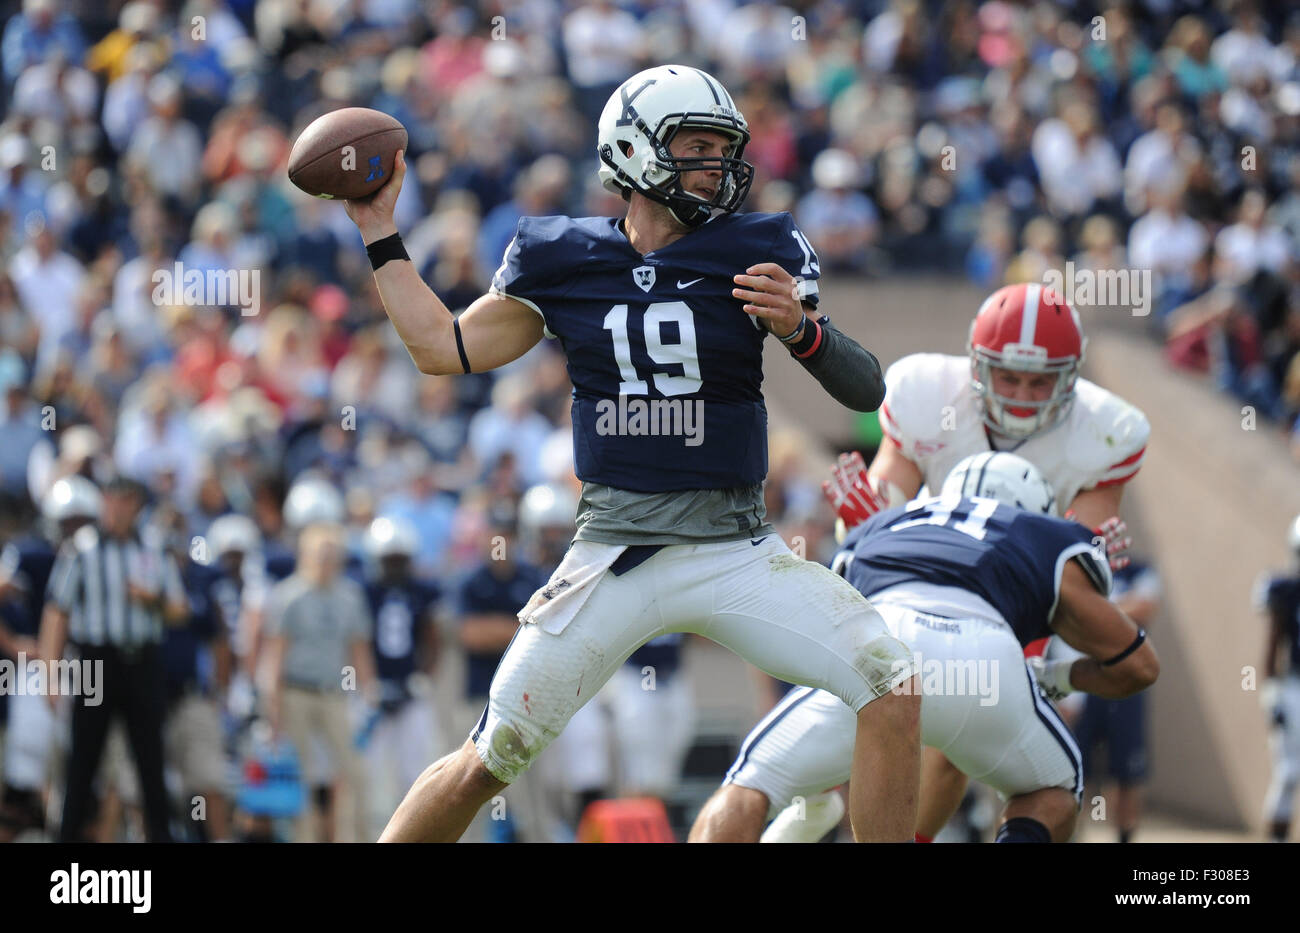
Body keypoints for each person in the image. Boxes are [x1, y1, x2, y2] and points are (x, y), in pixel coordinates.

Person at [344, 64, 921, 842]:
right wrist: (379, 229)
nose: (715, 163)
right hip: (613, 551)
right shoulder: (560, 254)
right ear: (632, 150)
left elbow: (864, 391)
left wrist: (801, 329)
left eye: (723, 147)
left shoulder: (759, 246)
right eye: (695, 144)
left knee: (892, 682)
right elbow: (441, 346)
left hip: (738, 551)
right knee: (490, 756)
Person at [820, 281, 1150, 841]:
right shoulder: (925, 390)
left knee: (961, 745)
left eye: (1039, 379)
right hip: (924, 574)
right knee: (920, 733)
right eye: (1009, 376)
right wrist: (862, 517)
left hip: (1018, 595)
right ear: (977, 366)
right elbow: (880, 507)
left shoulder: (1106, 429)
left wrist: (1092, 564)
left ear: (1070, 377)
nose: (1022, 393)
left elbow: (1074, 562)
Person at [691, 453, 1159, 844]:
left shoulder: (882, 525)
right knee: (1053, 791)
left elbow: (835, 613)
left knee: (749, 787)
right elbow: (1139, 667)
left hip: (881, 643)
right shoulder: (1047, 536)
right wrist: (1056, 672)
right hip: (986, 661)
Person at [39, 475, 187, 843]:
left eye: (125, 502)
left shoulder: (153, 547)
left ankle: (160, 837)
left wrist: (151, 599)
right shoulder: (82, 548)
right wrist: (51, 673)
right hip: (95, 661)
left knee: (151, 762)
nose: (117, 509)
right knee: (82, 761)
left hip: (142, 660)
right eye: (111, 501)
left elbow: (179, 611)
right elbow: (57, 612)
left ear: (136, 505)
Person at [263, 521, 375, 843]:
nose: (326, 562)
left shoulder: (350, 596)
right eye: (319, 554)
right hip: (295, 691)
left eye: (332, 554)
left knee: (354, 773)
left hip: (334, 693)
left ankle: (353, 838)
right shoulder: (289, 595)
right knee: (301, 776)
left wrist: (367, 695)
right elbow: (276, 654)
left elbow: (359, 650)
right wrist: (272, 705)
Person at [0, 476, 99, 839]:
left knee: (78, 767)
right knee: (29, 764)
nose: (74, 530)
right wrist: (12, 644)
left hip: (87, 669)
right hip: (36, 671)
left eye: (81, 522)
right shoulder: (31, 554)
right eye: (68, 521)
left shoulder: (101, 556)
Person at [359, 515, 443, 837]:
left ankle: (415, 834)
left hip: (412, 689)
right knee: (373, 773)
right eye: (388, 560)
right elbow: (357, 640)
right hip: (373, 692)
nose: (394, 567)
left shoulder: (421, 590)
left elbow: (432, 637)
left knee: (417, 770)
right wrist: (368, 686)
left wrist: (423, 677)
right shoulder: (363, 590)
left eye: (400, 560)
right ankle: (377, 834)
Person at [1072, 557, 1160, 843]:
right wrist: (1115, 613)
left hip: (1127, 687)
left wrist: (1091, 611)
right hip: (1082, 686)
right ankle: (1072, 836)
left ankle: (1123, 837)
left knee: (1127, 773)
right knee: (1073, 773)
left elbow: (1144, 607)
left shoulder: (1139, 570)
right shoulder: (1078, 568)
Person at [1256, 515, 1300, 842]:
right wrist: (1271, 695)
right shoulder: (1285, 590)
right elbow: (1272, 646)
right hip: (1294, 689)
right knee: (1287, 775)